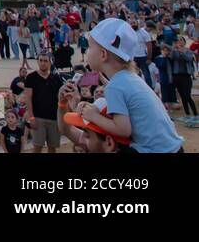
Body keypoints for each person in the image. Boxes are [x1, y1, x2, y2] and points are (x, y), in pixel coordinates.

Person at [73, 17, 183, 153]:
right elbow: (125, 97)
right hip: (172, 148)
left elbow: (123, 129)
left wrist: (93, 115)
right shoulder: (128, 79)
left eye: (90, 47)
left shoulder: (116, 86)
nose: (87, 51)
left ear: (103, 54)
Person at [23, 53, 63, 153]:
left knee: (52, 147)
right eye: (40, 60)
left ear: (50, 63)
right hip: (38, 118)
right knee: (37, 146)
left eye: (45, 61)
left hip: (54, 118)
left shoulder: (56, 79)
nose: (42, 63)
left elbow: (61, 98)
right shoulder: (31, 77)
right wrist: (31, 117)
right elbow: (28, 98)